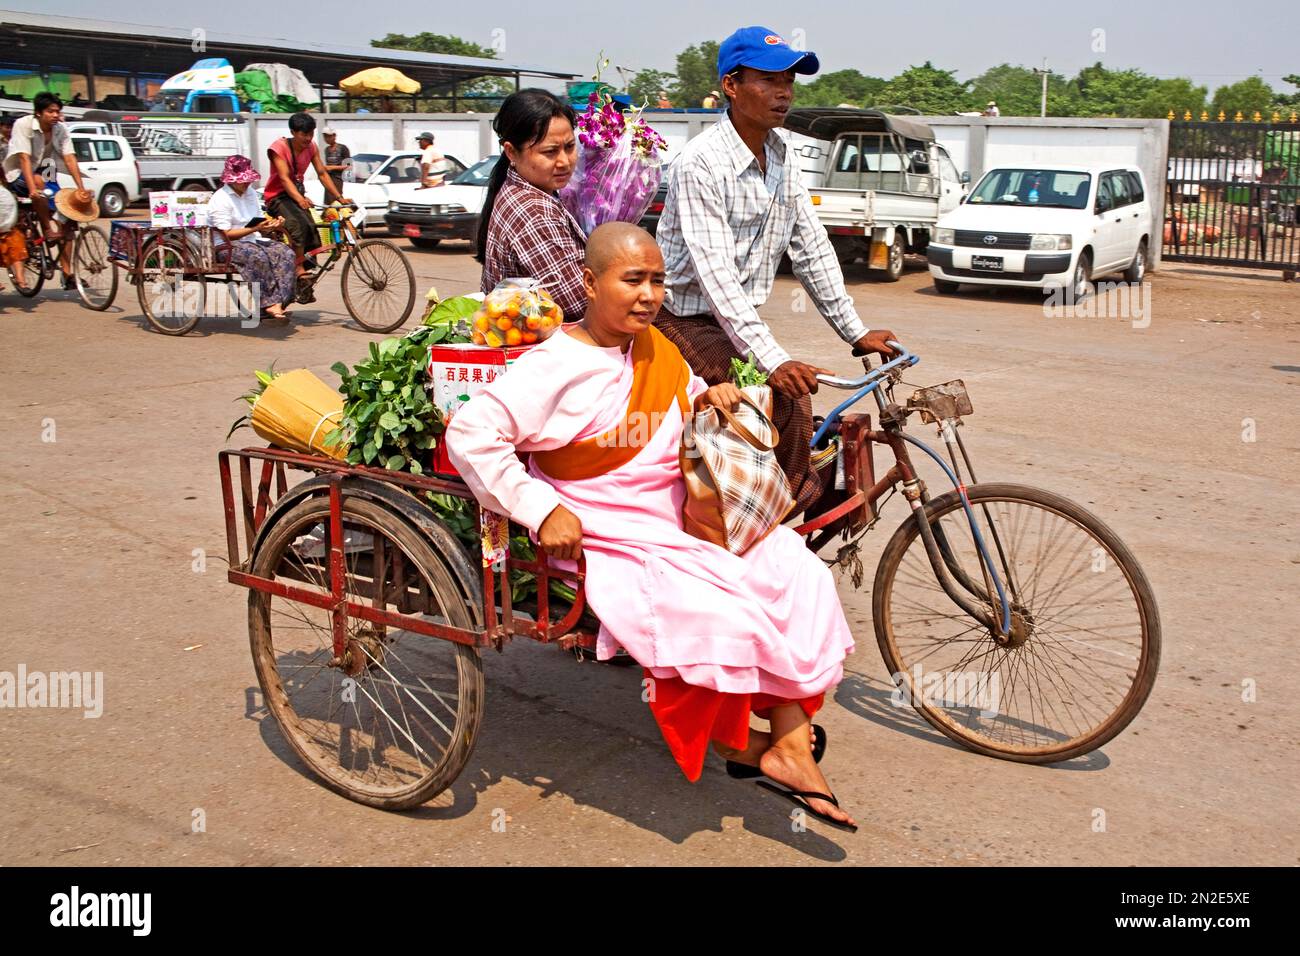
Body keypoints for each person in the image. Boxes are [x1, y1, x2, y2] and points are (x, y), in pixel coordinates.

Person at [447, 223, 859, 830]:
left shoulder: (654, 347)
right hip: (606, 527)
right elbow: (471, 434)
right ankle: (737, 746)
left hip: (679, 511)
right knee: (719, 610)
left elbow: (679, 394)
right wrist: (540, 509)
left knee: (796, 570)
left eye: (658, 280)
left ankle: (791, 746)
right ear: (589, 283)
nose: (648, 295)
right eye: (632, 279)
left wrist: (709, 393)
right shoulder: (554, 362)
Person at [655, 27, 897, 518]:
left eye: (788, 80)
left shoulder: (784, 155)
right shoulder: (700, 164)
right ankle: (768, 526)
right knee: (789, 401)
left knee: (804, 409)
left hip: (729, 325)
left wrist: (856, 331)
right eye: (768, 79)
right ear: (731, 85)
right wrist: (772, 359)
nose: (783, 92)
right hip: (679, 322)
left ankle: (779, 508)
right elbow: (716, 274)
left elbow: (811, 247)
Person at [475, 89, 587, 322]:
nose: (564, 161)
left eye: (569, 146)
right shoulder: (533, 213)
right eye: (550, 151)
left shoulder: (532, 192)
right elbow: (578, 303)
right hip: (545, 348)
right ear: (511, 152)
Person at [2, 92, 94, 284]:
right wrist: (33, 189)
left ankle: (68, 274)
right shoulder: (23, 125)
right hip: (18, 173)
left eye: (57, 112)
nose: (55, 115)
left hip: (46, 168)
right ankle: (46, 227)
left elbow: (69, 157)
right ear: (38, 113)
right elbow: (24, 158)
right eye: (50, 111)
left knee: (66, 215)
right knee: (38, 183)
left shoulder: (60, 129)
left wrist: (81, 188)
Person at [263, 111, 353, 295]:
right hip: (278, 197)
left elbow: (321, 173)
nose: (308, 138)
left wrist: (338, 197)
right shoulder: (279, 148)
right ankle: (298, 270)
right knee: (297, 225)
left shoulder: (311, 147)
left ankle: (306, 268)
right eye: (304, 134)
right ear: (293, 132)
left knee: (313, 225)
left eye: (311, 134)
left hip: (297, 194)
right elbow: (285, 179)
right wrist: (300, 199)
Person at [206, 155, 296, 322]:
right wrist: (255, 228)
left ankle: (281, 302)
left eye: (248, 180)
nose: (246, 183)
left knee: (285, 252)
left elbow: (259, 220)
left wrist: (272, 224)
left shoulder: (251, 194)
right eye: (243, 180)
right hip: (226, 246)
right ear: (231, 180)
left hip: (252, 240)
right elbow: (226, 233)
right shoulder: (220, 199)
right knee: (257, 256)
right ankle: (268, 302)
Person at [320, 126, 351, 195]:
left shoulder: (343, 148)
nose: (326, 139)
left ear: (334, 136)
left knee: (337, 201)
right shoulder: (327, 149)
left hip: (339, 179)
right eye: (325, 136)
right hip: (329, 179)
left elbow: (349, 166)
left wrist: (332, 167)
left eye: (329, 136)